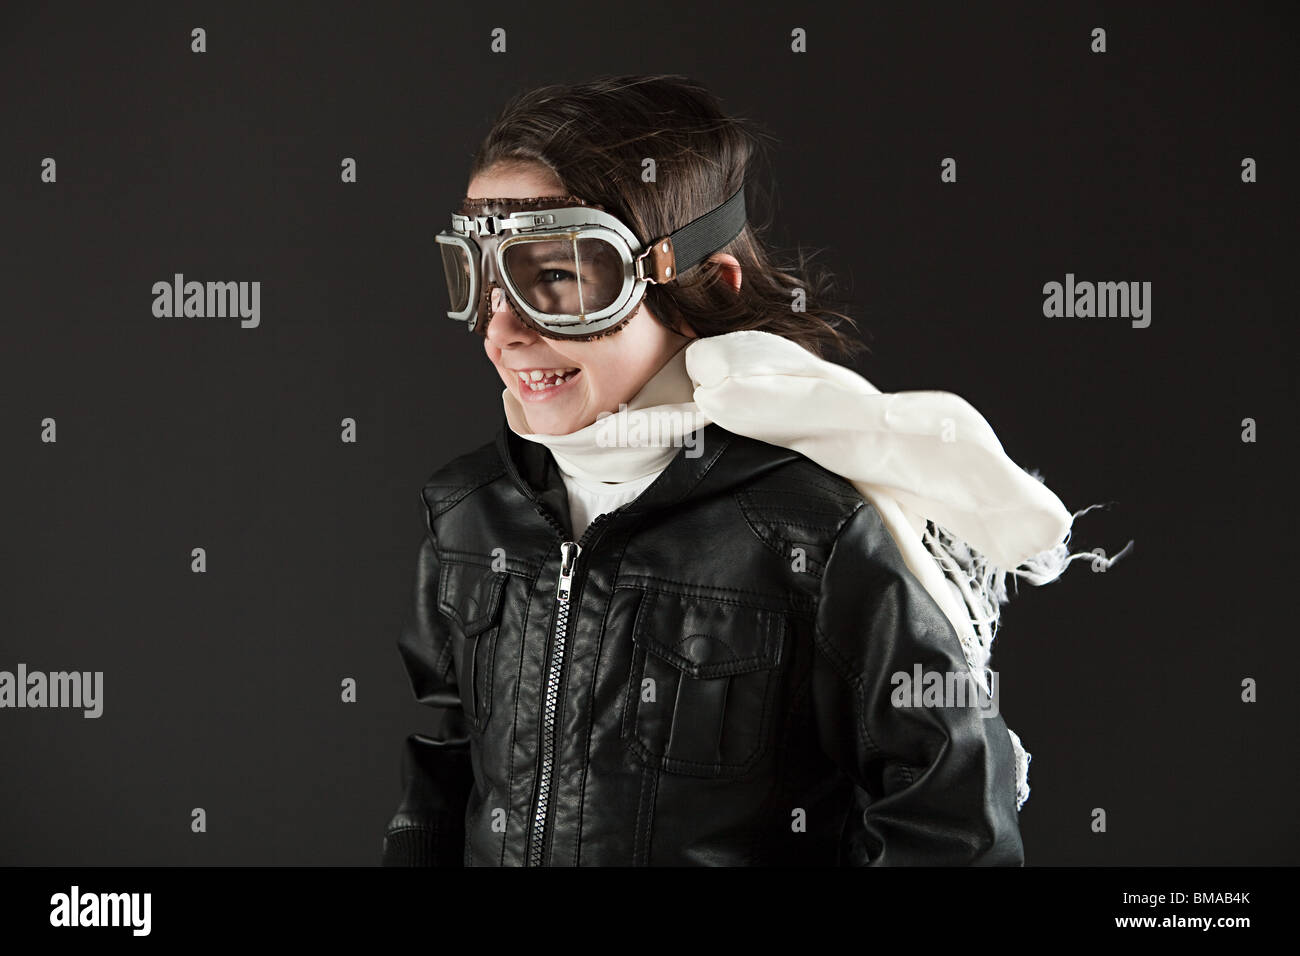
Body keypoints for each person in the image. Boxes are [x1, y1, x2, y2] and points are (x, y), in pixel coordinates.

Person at [382, 74, 1098, 866]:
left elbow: (955, 818)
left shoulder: (810, 530)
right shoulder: (467, 509)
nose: (503, 328)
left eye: (557, 277)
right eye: (481, 278)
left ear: (699, 287)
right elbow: (445, 761)